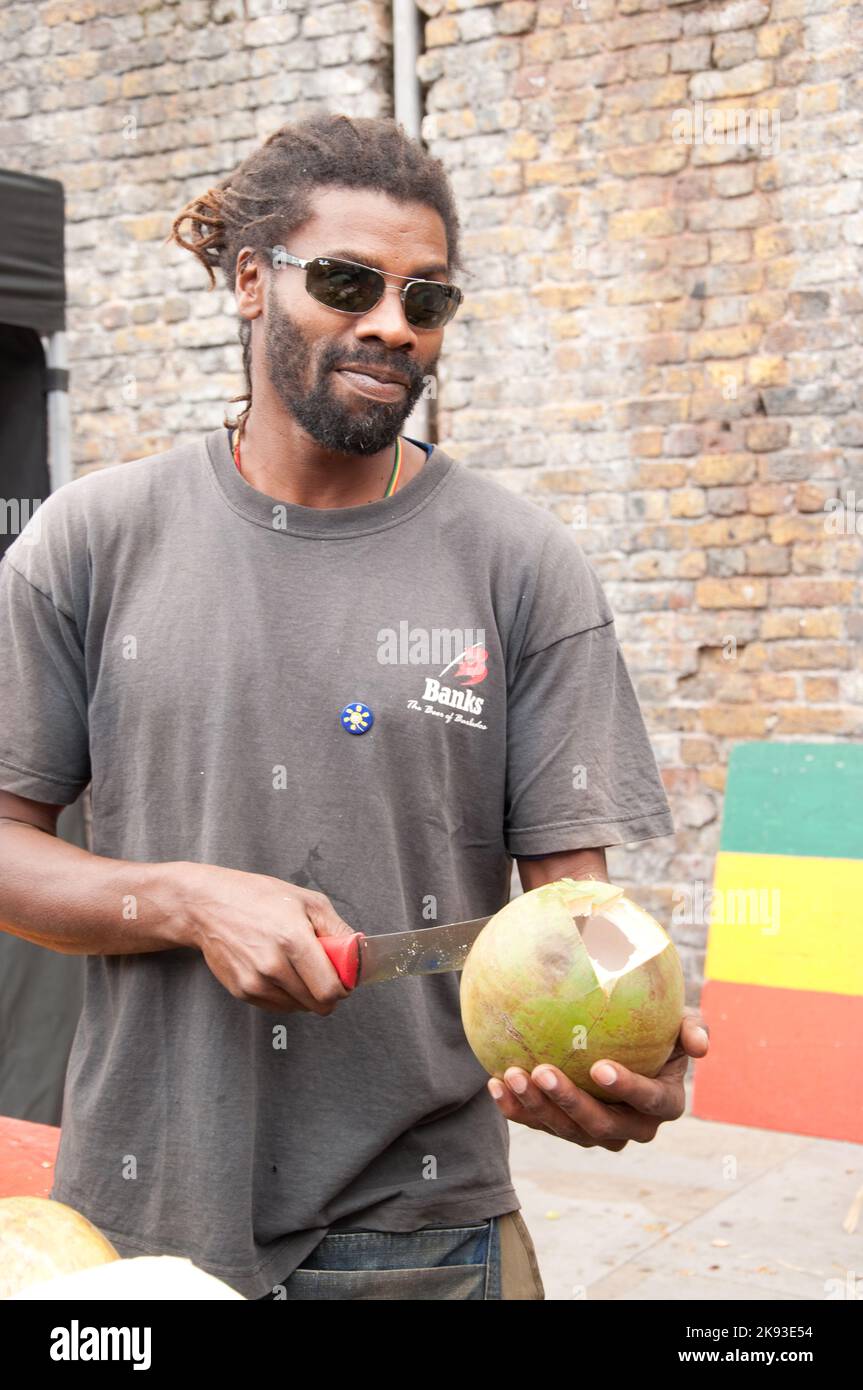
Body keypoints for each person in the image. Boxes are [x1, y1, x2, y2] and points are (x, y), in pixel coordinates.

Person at [0, 112, 708, 1301]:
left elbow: (573, 918)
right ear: (247, 280)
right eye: (347, 282)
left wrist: (614, 1063)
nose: (392, 323)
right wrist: (184, 898)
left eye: (426, 299)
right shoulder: (93, 541)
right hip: (136, 1224)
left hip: (421, 1237)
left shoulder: (519, 565)